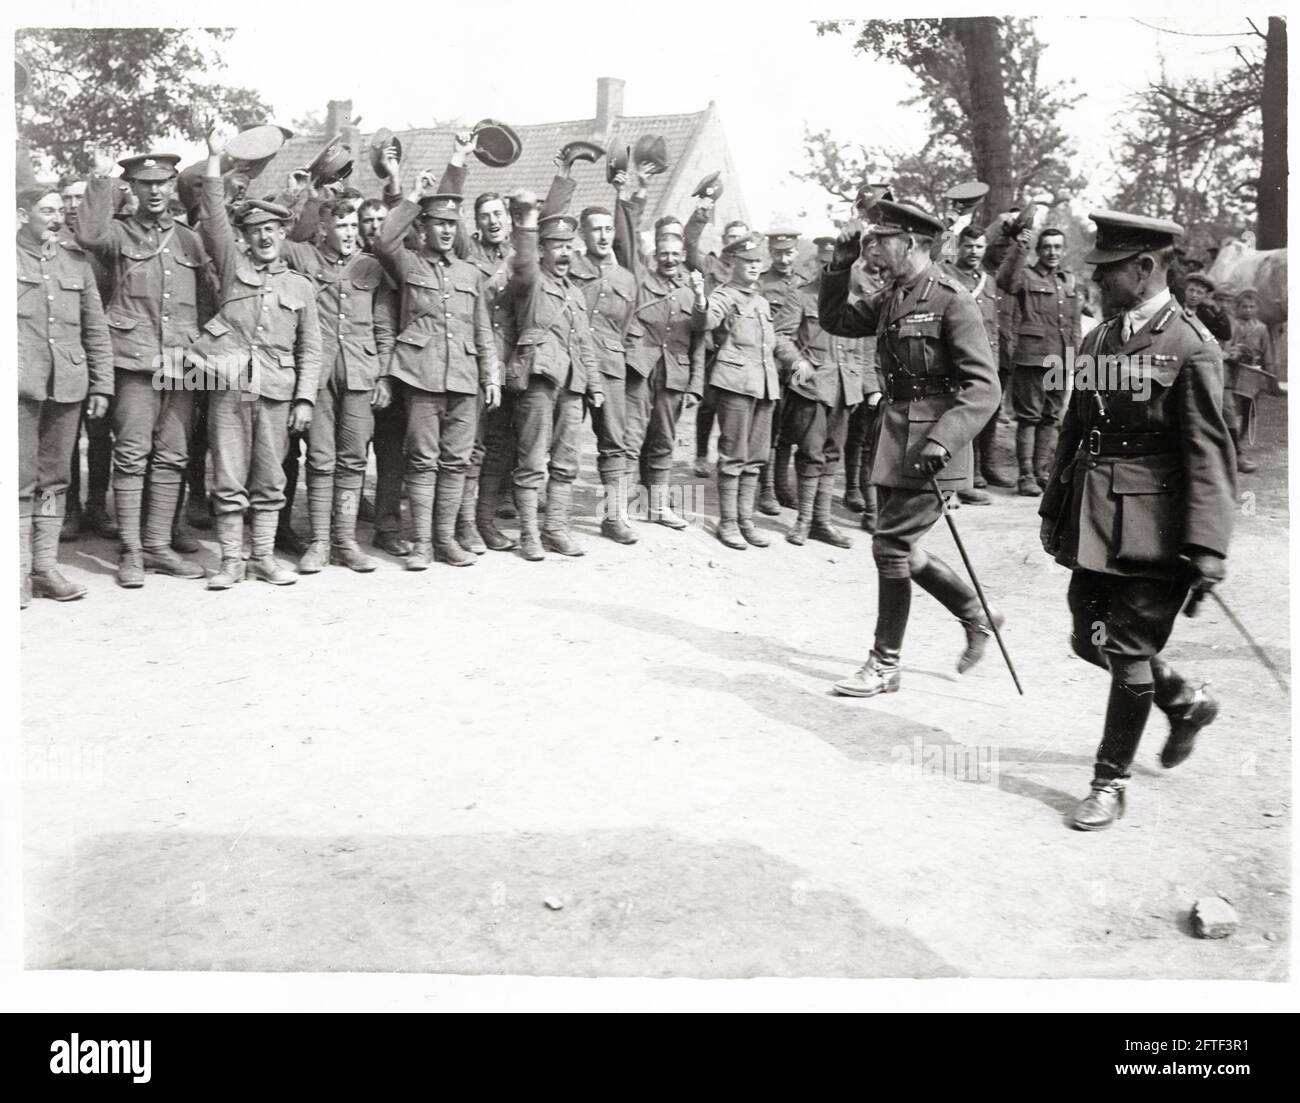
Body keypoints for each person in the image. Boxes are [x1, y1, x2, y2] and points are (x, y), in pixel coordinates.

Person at [1038, 211, 1235, 831]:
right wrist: (1052, 507)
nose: (1095, 281)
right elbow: (1076, 426)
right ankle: (1182, 699)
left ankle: (1109, 782)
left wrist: (1208, 545)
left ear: (1145, 268)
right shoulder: (1100, 340)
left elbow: (1210, 452)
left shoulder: (1191, 346)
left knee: (1126, 651)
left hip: (1157, 529)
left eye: (1107, 270)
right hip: (1095, 517)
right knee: (1086, 636)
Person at [818, 200, 1002, 697]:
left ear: (913, 243)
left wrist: (944, 439)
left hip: (934, 446)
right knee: (899, 545)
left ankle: (885, 663)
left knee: (889, 545)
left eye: (883, 240)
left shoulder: (952, 299)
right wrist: (839, 261)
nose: (873, 248)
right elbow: (835, 318)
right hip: (898, 438)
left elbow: (984, 388)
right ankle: (976, 613)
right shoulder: (894, 296)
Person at [77, 150, 215, 587]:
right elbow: (87, 233)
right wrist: (100, 179)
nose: (154, 191)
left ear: (173, 185)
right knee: (133, 456)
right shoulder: (118, 233)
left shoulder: (190, 239)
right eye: (145, 184)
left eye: (162, 183)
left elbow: (211, 293)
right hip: (133, 359)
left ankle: (157, 546)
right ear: (132, 189)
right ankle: (132, 552)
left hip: (184, 360)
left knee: (174, 456)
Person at [194, 123, 322, 589]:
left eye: (272, 229)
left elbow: (311, 348)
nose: (265, 237)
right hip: (230, 388)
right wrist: (213, 161)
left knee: (270, 479)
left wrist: (305, 399)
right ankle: (231, 561)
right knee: (228, 476)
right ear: (245, 237)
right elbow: (212, 219)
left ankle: (263, 558)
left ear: (283, 233)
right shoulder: (232, 270)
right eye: (255, 231)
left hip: (276, 393)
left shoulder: (300, 286)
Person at [372, 171, 501, 570]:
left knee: (456, 462)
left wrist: (491, 375)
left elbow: (481, 328)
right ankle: (422, 544)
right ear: (423, 228)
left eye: (451, 224)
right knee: (423, 460)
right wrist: (411, 196)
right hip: (421, 375)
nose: (446, 231)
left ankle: (446, 540)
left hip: (464, 376)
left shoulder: (469, 273)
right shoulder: (408, 262)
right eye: (438, 224)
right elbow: (382, 240)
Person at [280, 198, 398, 574]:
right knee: (320, 459)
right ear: (324, 229)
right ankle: (318, 542)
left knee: (354, 461)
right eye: (342, 225)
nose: (349, 232)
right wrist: (304, 194)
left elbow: (383, 326)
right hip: (317, 379)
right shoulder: (304, 258)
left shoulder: (371, 266)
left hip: (361, 376)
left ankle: (345, 540)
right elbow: (281, 235)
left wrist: (384, 376)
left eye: (353, 226)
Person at [17, 185, 114, 605]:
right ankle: (16, 572)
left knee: (56, 481)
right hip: (20, 386)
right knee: (18, 481)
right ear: (22, 215)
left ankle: (44, 567)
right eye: (46, 211)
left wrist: (102, 384)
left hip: (68, 386)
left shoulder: (76, 261)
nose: (56, 218)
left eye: (60, 211)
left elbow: (96, 328)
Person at [502, 193, 603, 560]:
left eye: (568, 247)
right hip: (539, 381)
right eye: (555, 247)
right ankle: (530, 534)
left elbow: (585, 343)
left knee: (566, 462)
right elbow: (524, 261)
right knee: (531, 461)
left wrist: (595, 384)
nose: (563, 254)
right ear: (542, 250)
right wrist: (529, 220)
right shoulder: (531, 282)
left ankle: (556, 528)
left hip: (572, 387)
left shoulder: (575, 293)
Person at [772, 259, 871, 547]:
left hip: (845, 388)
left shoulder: (857, 302)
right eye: (831, 265)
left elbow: (864, 350)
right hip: (811, 385)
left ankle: (822, 521)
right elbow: (780, 337)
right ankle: (803, 520)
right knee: (810, 452)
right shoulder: (801, 296)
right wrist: (797, 362)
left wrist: (864, 388)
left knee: (833, 454)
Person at [695, 233, 781, 551]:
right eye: (748, 262)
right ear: (733, 263)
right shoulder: (724, 296)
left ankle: (746, 520)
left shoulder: (760, 302)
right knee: (733, 456)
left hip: (764, 387)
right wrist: (700, 301)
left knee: (756, 458)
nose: (755, 267)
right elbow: (705, 319)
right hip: (733, 385)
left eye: (758, 262)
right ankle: (728, 521)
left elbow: (768, 345)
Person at [623, 222, 705, 528]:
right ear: (655, 255)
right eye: (663, 254)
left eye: (675, 254)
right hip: (640, 370)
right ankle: (618, 508)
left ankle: (656, 507)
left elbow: (699, 341)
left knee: (663, 440)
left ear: (684, 255)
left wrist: (695, 386)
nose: (669, 259)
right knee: (630, 439)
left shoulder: (694, 292)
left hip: (673, 376)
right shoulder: (642, 281)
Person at [997, 225, 1081, 497]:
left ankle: (1043, 472)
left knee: (1051, 416)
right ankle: (1025, 476)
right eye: (1047, 247)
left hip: (1061, 357)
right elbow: (1006, 281)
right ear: (1038, 250)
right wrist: (1019, 248)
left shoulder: (1068, 280)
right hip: (1032, 358)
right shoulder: (1025, 276)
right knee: (1029, 417)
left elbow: (1074, 322)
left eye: (1057, 247)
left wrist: (1076, 356)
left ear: (1063, 249)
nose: (1052, 252)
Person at [684, 196, 750, 478]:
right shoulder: (709, 264)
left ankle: (729, 458)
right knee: (708, 404)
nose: (736, 243)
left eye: (741, 237)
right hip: (713, 346)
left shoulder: (751, 272)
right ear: (724, 239)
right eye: (731, 237)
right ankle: (701, 454)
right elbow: (689, 248)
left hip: (739, 350)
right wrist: (700, 216)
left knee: (735, 405)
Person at [942, 223, 1007, 502]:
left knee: (976, 419)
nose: (974, 251)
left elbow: (992, 326)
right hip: (955, 359)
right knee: (954, 418)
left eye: (979, 246)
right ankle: (950, 485)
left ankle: (967, 479)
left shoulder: (988, 280)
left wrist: (994, 362)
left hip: (983, 359)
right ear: (959, 246)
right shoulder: (946, 274)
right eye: (969, 245)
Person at [756, 225, 804, 515]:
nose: (784, 259)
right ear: (770, 252)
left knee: (790, 429)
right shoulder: (759, 284)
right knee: (768, 430)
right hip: (770, 366)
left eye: (788, 253)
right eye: (778, 253)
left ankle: (783, 485)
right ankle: (766, 490)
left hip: (796, 369)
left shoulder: (805, 284)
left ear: (796, 252)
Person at [1223, 288, 1269, 475]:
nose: (1248, 310)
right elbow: (1228, 346)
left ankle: (1240, 442)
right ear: (1238, 307)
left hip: (1254, 372)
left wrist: (1267, 375)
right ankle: (1234, 448)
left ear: (1257, 309)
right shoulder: (1233, 324)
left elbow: (1268, 352)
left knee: (1249, 410)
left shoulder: (1261, 328)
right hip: (1236, 371)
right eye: (1244, 306)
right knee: (1233, 409)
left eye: (1252, 307)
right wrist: (1235, 354)